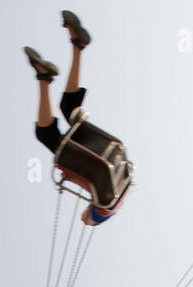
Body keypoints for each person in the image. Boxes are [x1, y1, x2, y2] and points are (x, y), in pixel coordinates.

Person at [26, 11, 124, 225]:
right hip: (87, 156)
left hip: (95, 145)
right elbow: (95, 211)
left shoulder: (119, 183)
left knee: (69, 108)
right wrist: (89, 218)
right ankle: (44, 78)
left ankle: (76, 47)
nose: (84, 217)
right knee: (47, 135)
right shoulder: (105, 203)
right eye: (85, 218)